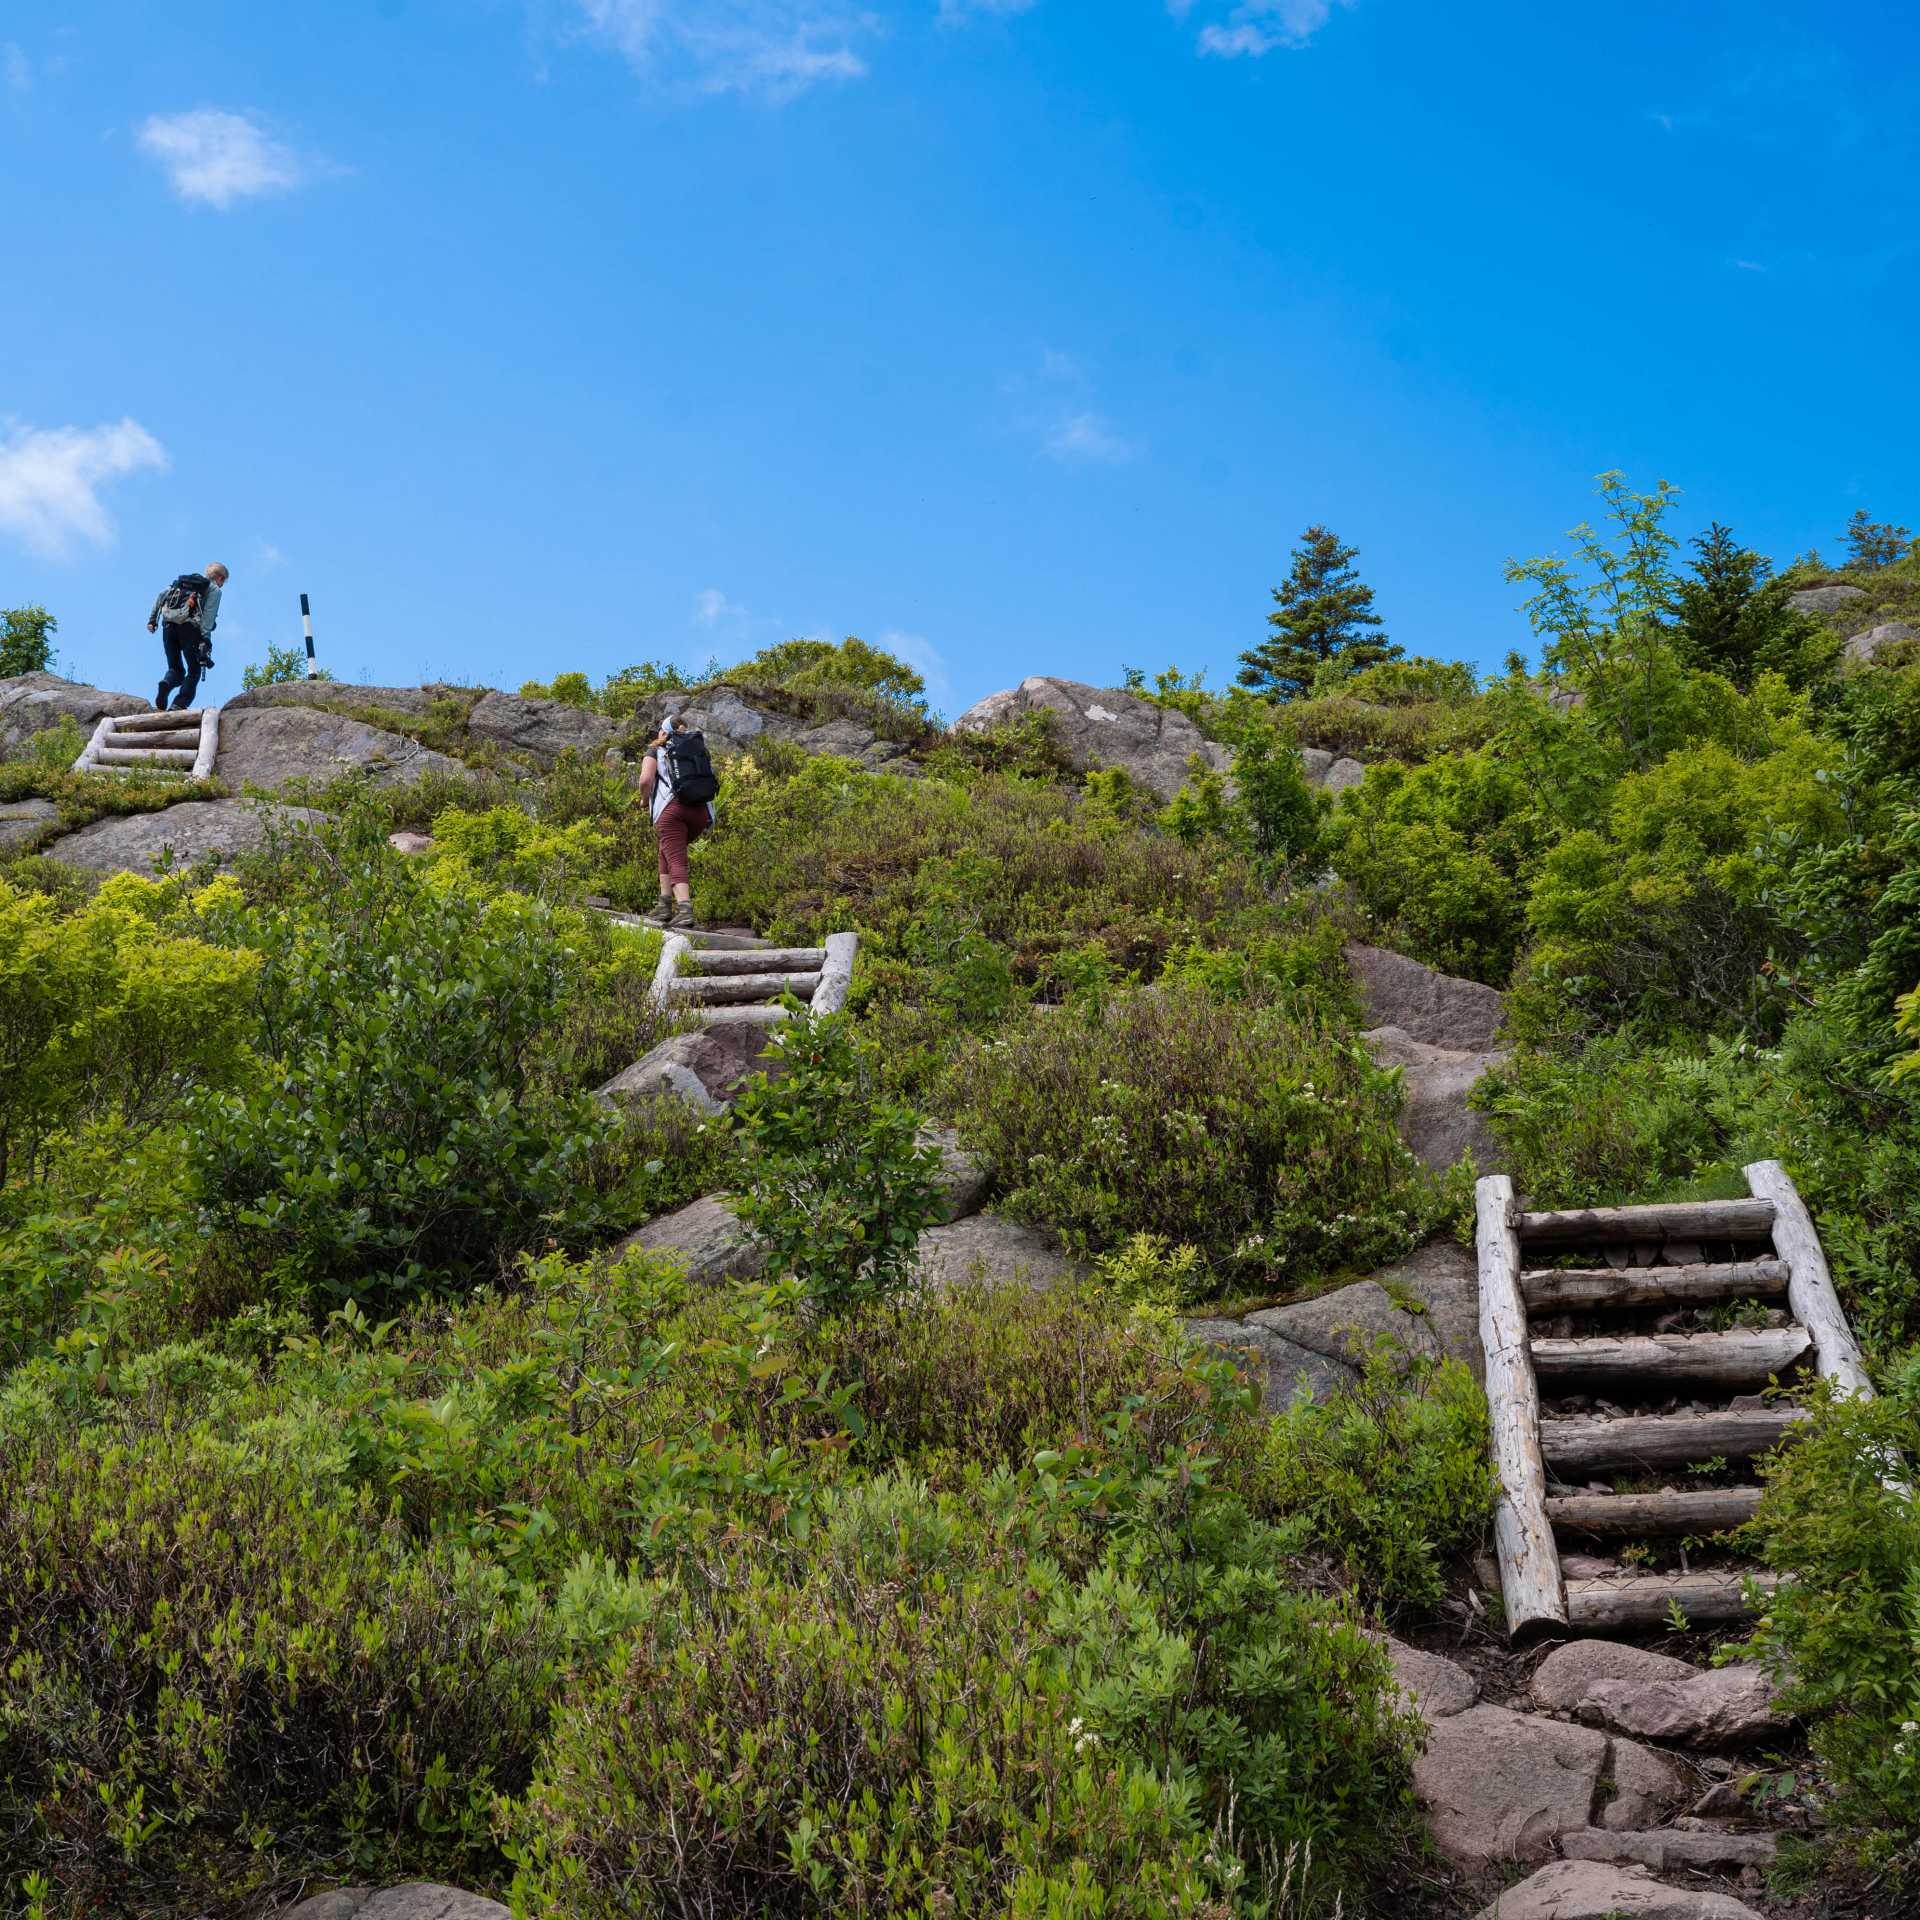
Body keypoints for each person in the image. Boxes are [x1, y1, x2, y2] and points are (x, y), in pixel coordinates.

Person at [640, 716, 716, 929]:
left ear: (663, 731)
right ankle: (664, 905)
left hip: (672, 811)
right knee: (666, 851)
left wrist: (644, 800)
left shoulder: (655, 750)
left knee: (675, 859)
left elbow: (645, 780)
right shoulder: (697, 749)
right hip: (700, 812)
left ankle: (684, 909)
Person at [147, 562, 229, 712]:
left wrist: (152, 620)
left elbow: (161, 596)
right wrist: (205, 639)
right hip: (189, 629)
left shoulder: (183, 582)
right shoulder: (213, 589)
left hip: (168, 627)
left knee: (175, 668)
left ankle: (166, 684)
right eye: (223, 581)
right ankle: (178, 704)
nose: (222, 585)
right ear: (220, 578)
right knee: (194, 671)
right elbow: (208, 617)